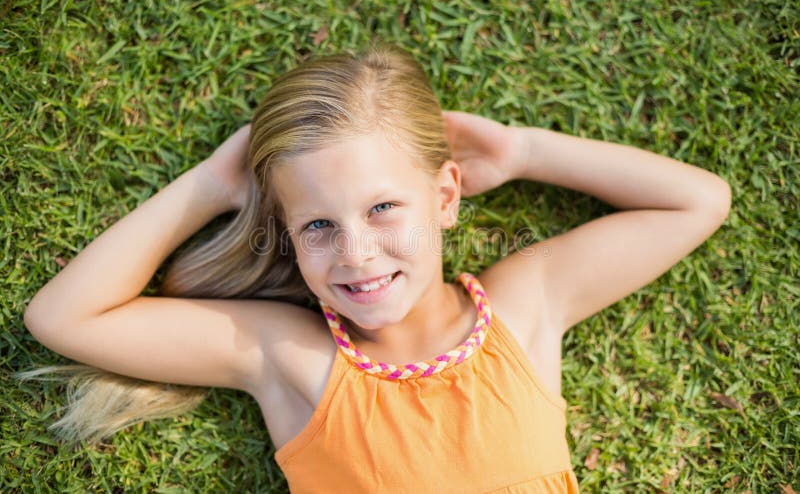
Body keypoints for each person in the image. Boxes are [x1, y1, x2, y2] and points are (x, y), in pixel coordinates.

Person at [22, 42, 731, 493]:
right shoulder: (290, 357)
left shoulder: (523, 307)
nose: (356, 253)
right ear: (287, 235)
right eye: (318, 225)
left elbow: (697, 202)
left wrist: (523, 151)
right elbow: (63, 317)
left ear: (446, 197)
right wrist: (209, 186)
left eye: (384, 208)